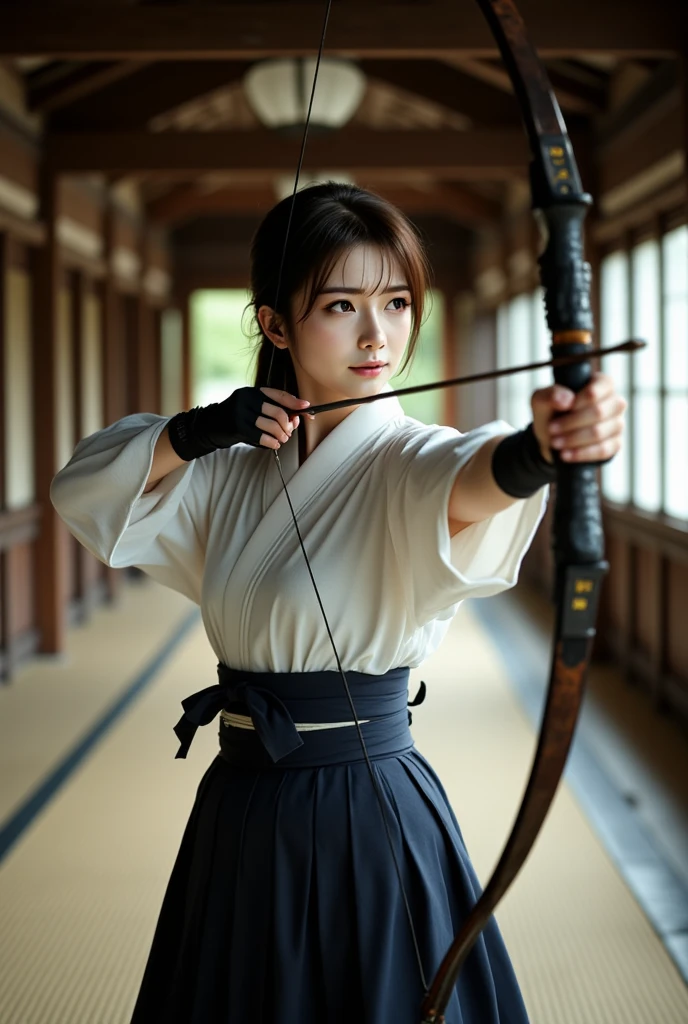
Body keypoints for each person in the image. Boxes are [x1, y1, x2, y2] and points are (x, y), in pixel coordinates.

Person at [50, 183, 625, 1024]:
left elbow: (468, 478)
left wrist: (542, 449)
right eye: (341, 305)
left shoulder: (408, 458)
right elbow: (84, 488)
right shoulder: (230, 467)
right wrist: (199, 430)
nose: (377, 334)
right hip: (240, 798)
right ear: (276, 325)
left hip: (362, 805)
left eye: (397, 303)